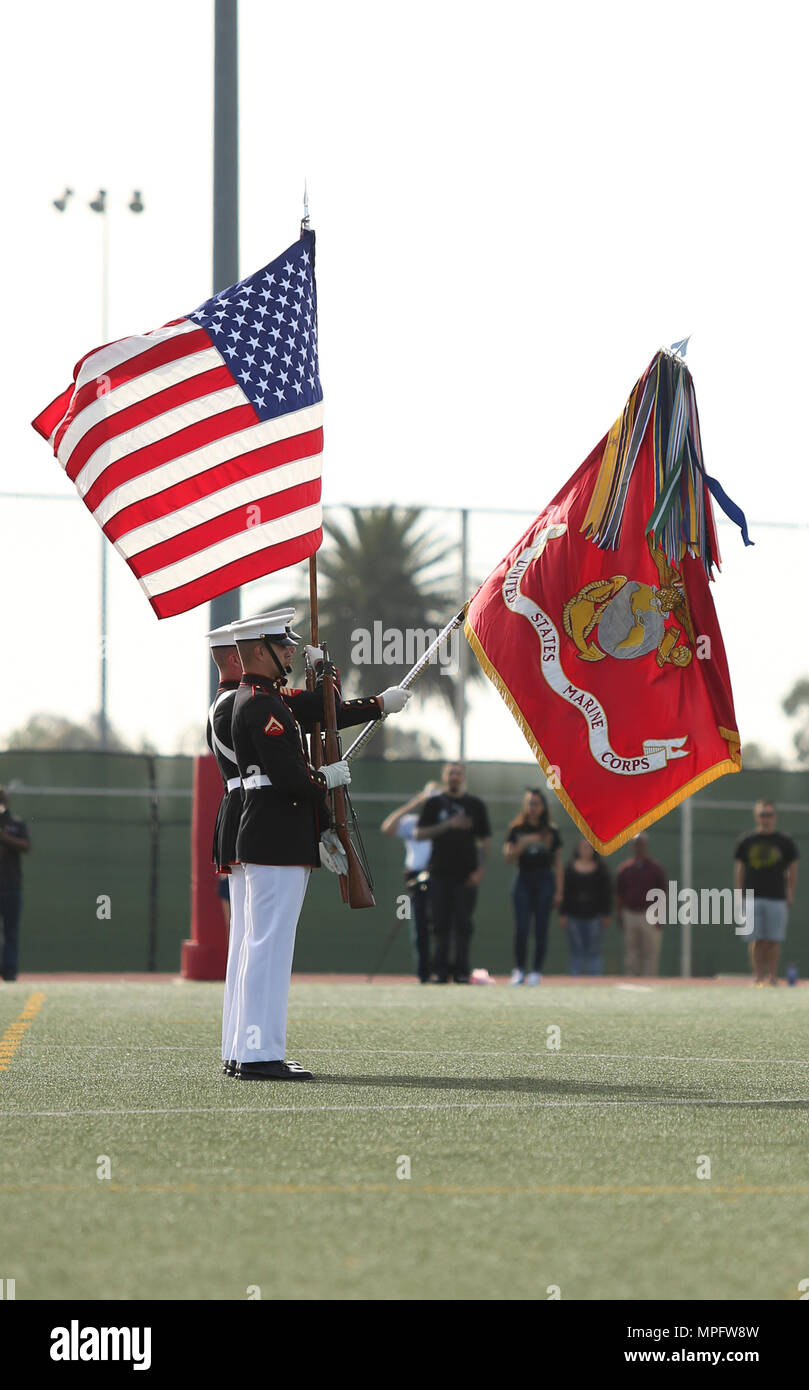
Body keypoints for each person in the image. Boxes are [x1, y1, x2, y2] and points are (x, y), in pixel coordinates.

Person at [229, 609, 411, 1080]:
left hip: (272, 836)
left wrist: (336, 677)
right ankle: (257, 1054)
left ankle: (246, 1049)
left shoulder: (269, 699)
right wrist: (322, 778)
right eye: (281, 644)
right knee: (269, 947)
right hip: (275, 837)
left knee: (262, 946)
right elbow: (290, 778)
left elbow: (322, 710)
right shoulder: (261, 705)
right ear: (257, 651)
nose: (289, 649)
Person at [205, 622, 247, 1077]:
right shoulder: (238, 701)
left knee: (246, 939)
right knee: (253, 939)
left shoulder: (230, 699)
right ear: (236, 659)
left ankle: (239, 1044)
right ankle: (248, 1048)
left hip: (238, 817)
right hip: (251, 818)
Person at [414, 763, 491, 984]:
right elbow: (419, 833)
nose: (454, 777)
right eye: (450, 773)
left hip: (466, 874)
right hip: (439, 873)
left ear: (463, 777)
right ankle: (440, 972)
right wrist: (449, 825)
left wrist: (480, 870)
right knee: (439, 924)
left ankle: (461, 972)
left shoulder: (475, 804)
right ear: (444, 776)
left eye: (458, 773)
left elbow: (485, 840)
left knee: (464, 924)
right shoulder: (434, 804)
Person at [734, 799, 799, 986]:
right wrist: (739, 895)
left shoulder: (785, 842)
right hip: (752, 897)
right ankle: (758, 977)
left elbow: (792, 869)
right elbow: (740, 869)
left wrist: (790, 892)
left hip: (777, 897)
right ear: (757, 816)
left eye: (769, 814)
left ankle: (772, 976)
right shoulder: (747, 841)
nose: (766, 818)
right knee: (756, 940)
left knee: (773, 940)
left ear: (775, 817)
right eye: (763, 814)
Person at [380, 781, 440, 982]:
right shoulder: (413, 821)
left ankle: (441, 970)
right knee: (420, 925)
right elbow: (387, 827)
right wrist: (414, 803)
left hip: (439, 874)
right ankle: (424, 973)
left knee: (440, 925)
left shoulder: (442, 821)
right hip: (415, 875)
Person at [503, 789, 562, 984]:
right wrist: (526, 842)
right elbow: (509, 857)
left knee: (541, 928)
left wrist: (559, 891)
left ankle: (536, 971)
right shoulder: (516, 829)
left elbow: (558, 863)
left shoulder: (551, 831)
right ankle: (519, 970)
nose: (532, 807)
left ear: (543, 806)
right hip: (523, 881)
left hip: (544, 881)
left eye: (536, 803)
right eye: (529, 803)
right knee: (521, 928)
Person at [616, 833, 667, 976]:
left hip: (649, 914)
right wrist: (620, 915)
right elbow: (619, 894)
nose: (639, 848)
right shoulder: (625, 869)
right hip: (630, 913)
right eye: (636, 845)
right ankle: (632, 980)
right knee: (631, 952)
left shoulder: (656, 869)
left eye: (641, 845)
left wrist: (660, 916)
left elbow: (662, 894)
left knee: (650, 952)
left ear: (646, 847)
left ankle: (649, 981)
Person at [559, 838, 612, 975]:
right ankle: (575, 978)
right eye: (583, 847)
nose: (586, 850)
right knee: (576, 951)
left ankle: (595, 979)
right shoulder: (569, 869)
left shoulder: (601, 869)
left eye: (589, 847)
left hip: (594, 916)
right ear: (578, 849)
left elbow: (606, 894)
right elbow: (564, 893)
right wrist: (563, 914)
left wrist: (606, 914)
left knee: (593, 951)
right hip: (573, 916)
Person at [0, 786, 31, 982]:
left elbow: (26, 846)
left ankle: (9, 972)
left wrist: (4, 837)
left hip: (12, 887)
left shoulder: (16, 823)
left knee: (11, 931)